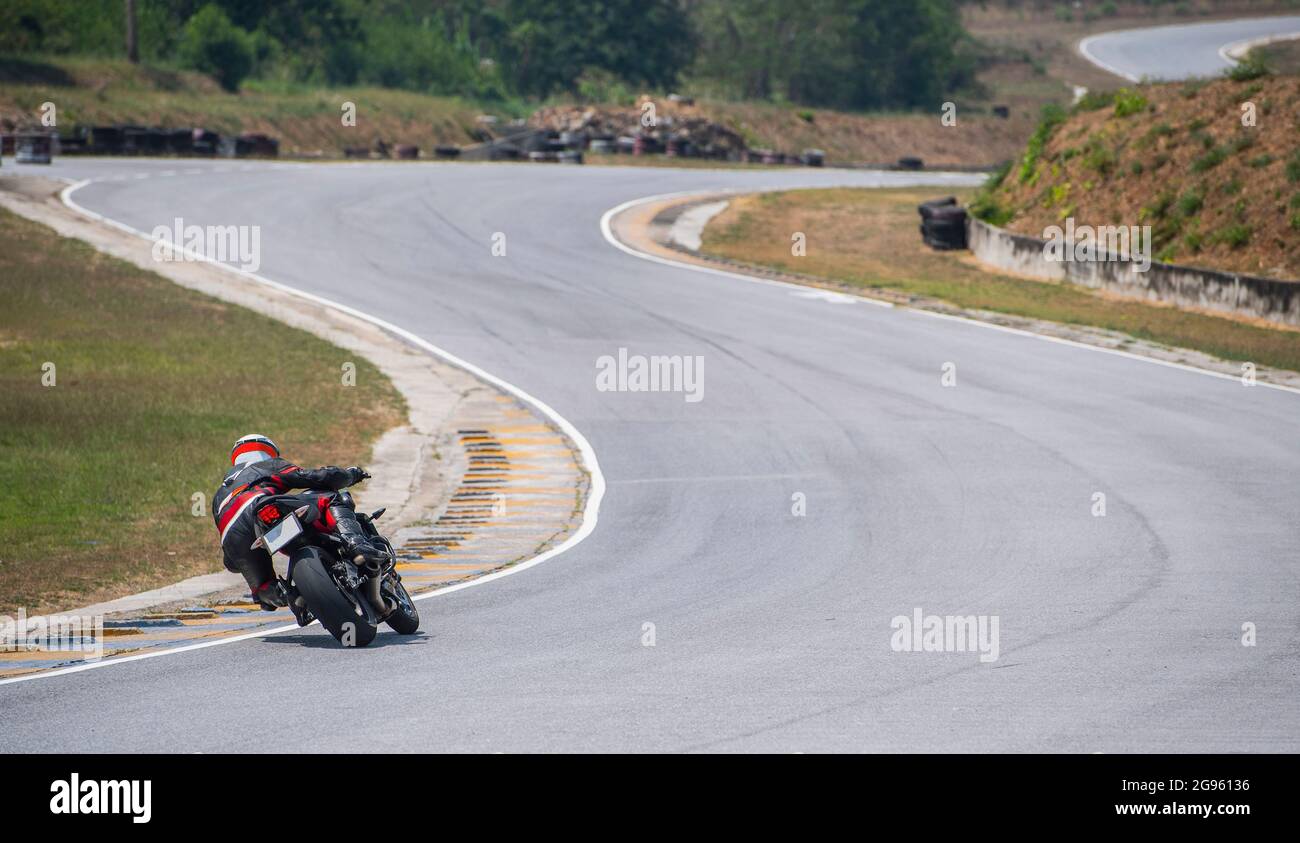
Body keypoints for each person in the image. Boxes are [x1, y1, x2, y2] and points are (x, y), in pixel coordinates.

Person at [213, 434, 388, 616]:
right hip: (261, 505)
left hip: (234, 539)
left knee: (264, 588)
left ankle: (285, 595)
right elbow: (316, 477)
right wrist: (351, 474)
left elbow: (231, 564)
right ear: (268, 451)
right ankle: (356, 544)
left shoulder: (219, 495)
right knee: (330, 498)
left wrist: (239, 559)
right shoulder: (266, 465)